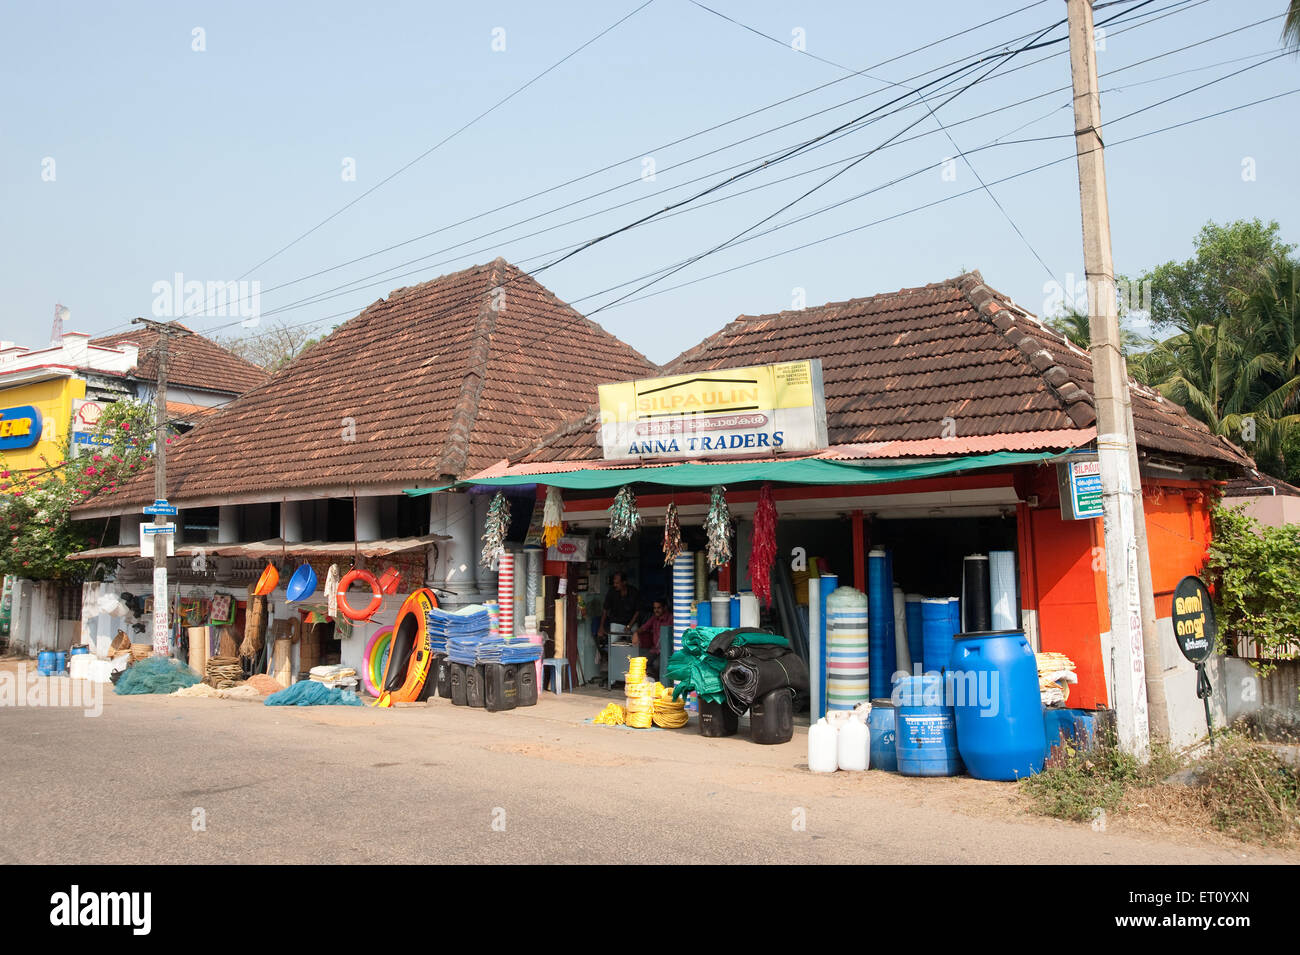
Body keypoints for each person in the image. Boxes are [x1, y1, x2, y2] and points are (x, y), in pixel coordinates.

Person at [596, 572, 640, 658]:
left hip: (631, 622)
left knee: (635, 645)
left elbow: (638, 611)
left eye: (617, 583)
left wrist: (630, 625)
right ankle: (614, 666)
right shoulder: (612, 592)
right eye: (614, 583)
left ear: (624, 582)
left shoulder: (633, 592)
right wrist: (601, 627)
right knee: (613, 646)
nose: (615, 585)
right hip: (616, 623)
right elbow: (605, 609)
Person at [635, 599, 673, 675]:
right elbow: (643, 628)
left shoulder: (671, 618)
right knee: (642, 661)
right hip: (655, 650)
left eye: (658, 608)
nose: (656, 610)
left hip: (668, 651)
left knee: (657, 664)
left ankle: (661, 682)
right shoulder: (654, 618)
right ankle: (652, 681)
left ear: (664, 608)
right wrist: (636, 633)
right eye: (654, 608)